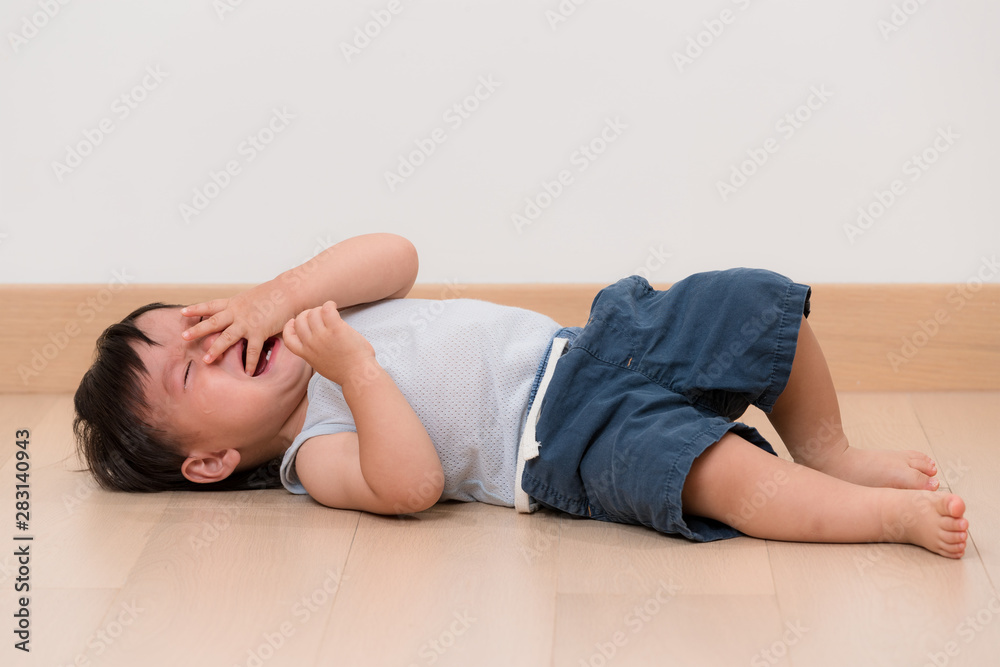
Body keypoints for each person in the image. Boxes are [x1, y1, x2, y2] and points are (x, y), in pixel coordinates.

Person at [73, 233, 968, 558]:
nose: (220, 342)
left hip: (592, 342)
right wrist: (356, 370)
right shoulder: (314, 452)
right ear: (211, 460)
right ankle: (880, 518)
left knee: (752, 301)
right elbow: (410, 485)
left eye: (204, 322)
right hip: (565, 439)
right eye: (192, 369)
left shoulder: (315, 318)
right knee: (715, 472)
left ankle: (828, 449)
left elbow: (396, 253)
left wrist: (279, 294)